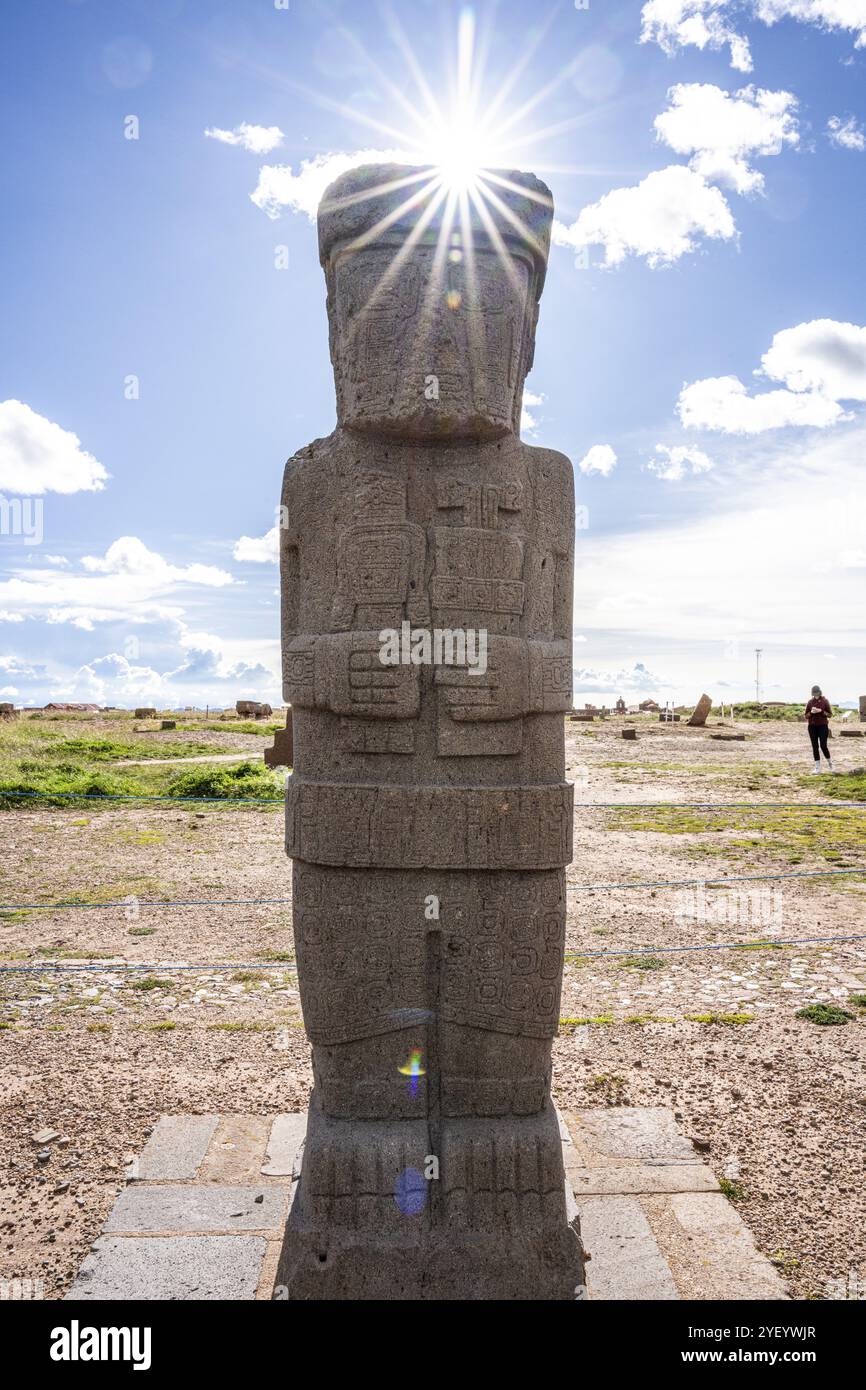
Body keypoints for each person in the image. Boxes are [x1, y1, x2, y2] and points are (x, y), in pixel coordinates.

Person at [805, 685, 834, 772]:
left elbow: (830, 715)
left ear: (820, 692)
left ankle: (830, 764)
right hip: (812, 726)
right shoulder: (810, 702)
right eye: (814, 693)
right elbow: (806, 716)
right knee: (815, 746)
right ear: (812, 693)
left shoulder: (825, 701)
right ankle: (817, 768)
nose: (815, 694)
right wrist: (811, 712)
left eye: (816, 692)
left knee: (823, 745)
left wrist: (821, 711)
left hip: (823, 726)